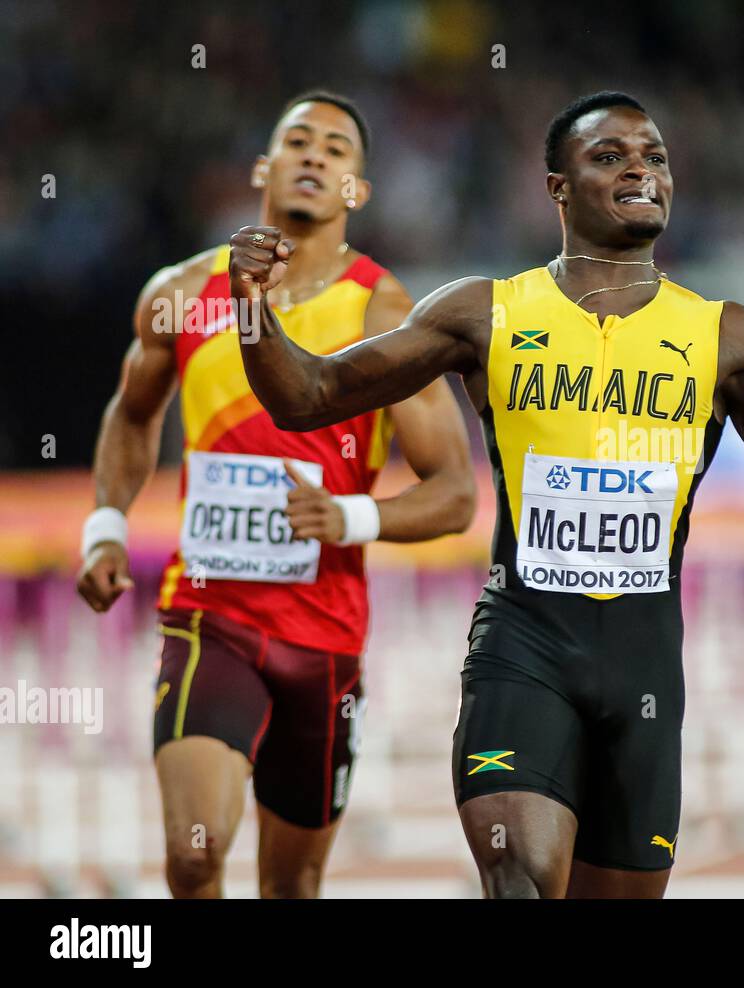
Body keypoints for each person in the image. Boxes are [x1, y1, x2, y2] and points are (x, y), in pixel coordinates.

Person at [224, 90, 744, 898]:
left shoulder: (723, 336)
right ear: (558, 188)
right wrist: (251, 307)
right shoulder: (483, 314)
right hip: (522, 653)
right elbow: (306, 394)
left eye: (654, 157)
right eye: (610, 156)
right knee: (519, 875)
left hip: (645, 677)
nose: (640, 169)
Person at [75, 91, 477, 898]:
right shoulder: (182, 292)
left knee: (289, 889)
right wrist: (105, 527)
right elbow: (131, 414)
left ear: (357, 191)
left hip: (323, 640)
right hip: (209, 617)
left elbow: (457, 493)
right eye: (298, 141)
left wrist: (349, 517)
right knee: (194, 858)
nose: (315, 156)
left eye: (337, 149)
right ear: (264, 167)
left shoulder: (385, 311)